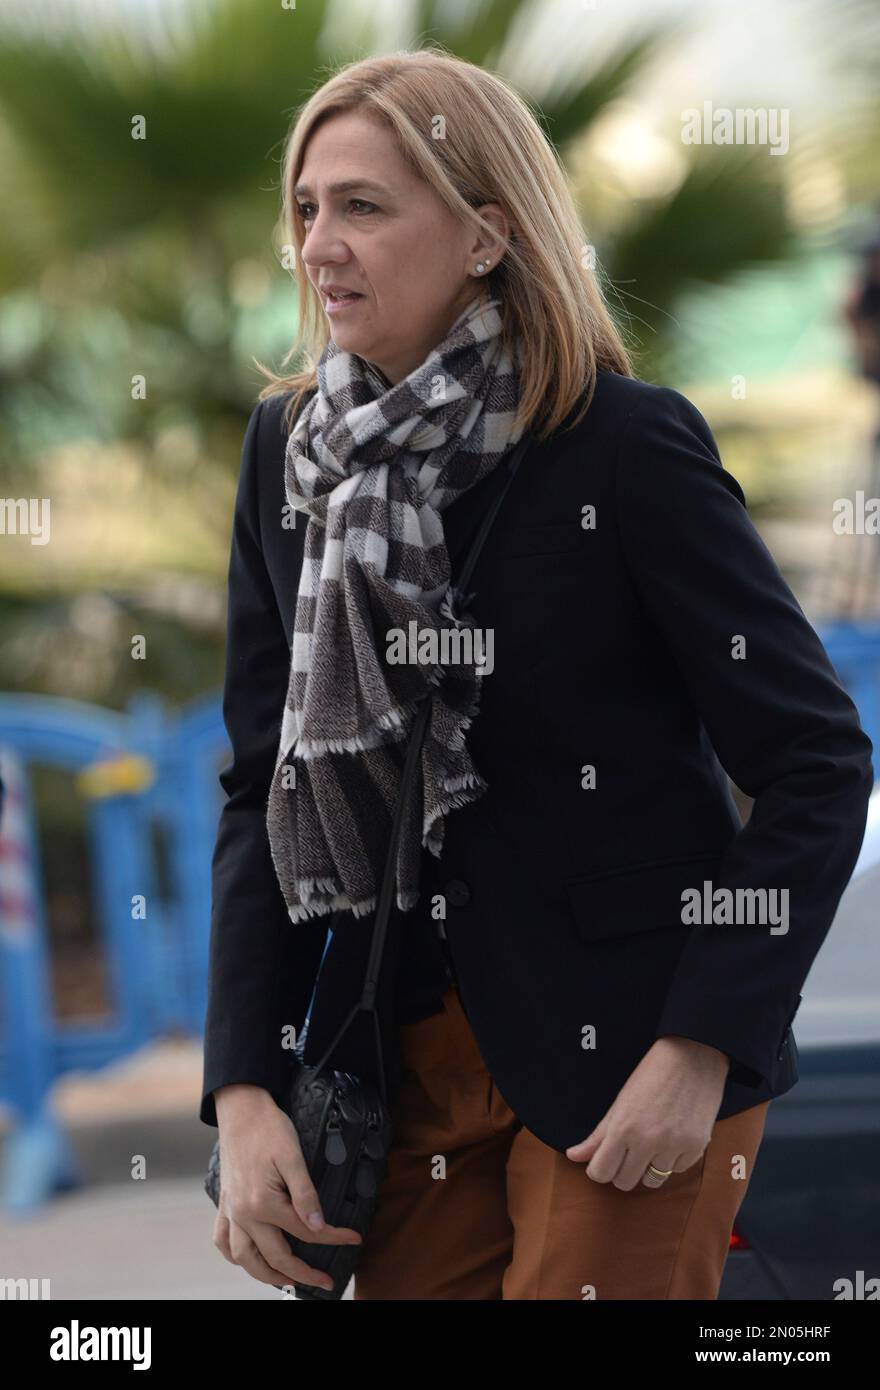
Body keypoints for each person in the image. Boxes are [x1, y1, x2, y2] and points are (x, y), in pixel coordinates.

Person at [200, 47, 875, 1300]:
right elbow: (260, 786)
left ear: (484, 236)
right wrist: (242, 1091)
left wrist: (700, 1048)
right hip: (398, 1063)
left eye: (362, 206)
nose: (318, 246)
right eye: (305, 208)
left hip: (631, 1047)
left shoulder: (624, 445)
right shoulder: (290, 458)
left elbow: (817, 762)